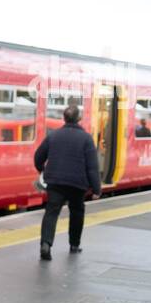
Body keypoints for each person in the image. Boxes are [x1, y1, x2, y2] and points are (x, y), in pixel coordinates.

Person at [33, 104, 102, 261]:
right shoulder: (86, 138)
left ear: (64, 118)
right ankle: (74, 245)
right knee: (77, 212)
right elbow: (92, 167)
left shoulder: (53, 135)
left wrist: (42, 170)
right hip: (77, 184)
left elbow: (38, 157)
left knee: (51, 212)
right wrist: (96, 189)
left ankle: (46, 244)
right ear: (79, 119)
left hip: (55, 182)